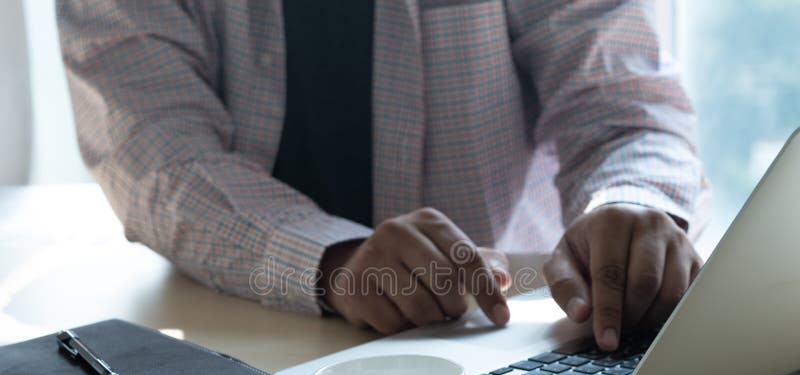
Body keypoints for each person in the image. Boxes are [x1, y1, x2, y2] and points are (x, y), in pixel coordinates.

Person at [58, 0, 710, 351]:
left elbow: (623, 109)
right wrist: (334, 259)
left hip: (514, 336)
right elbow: (156, 154)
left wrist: (632, 204)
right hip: (237, 341)